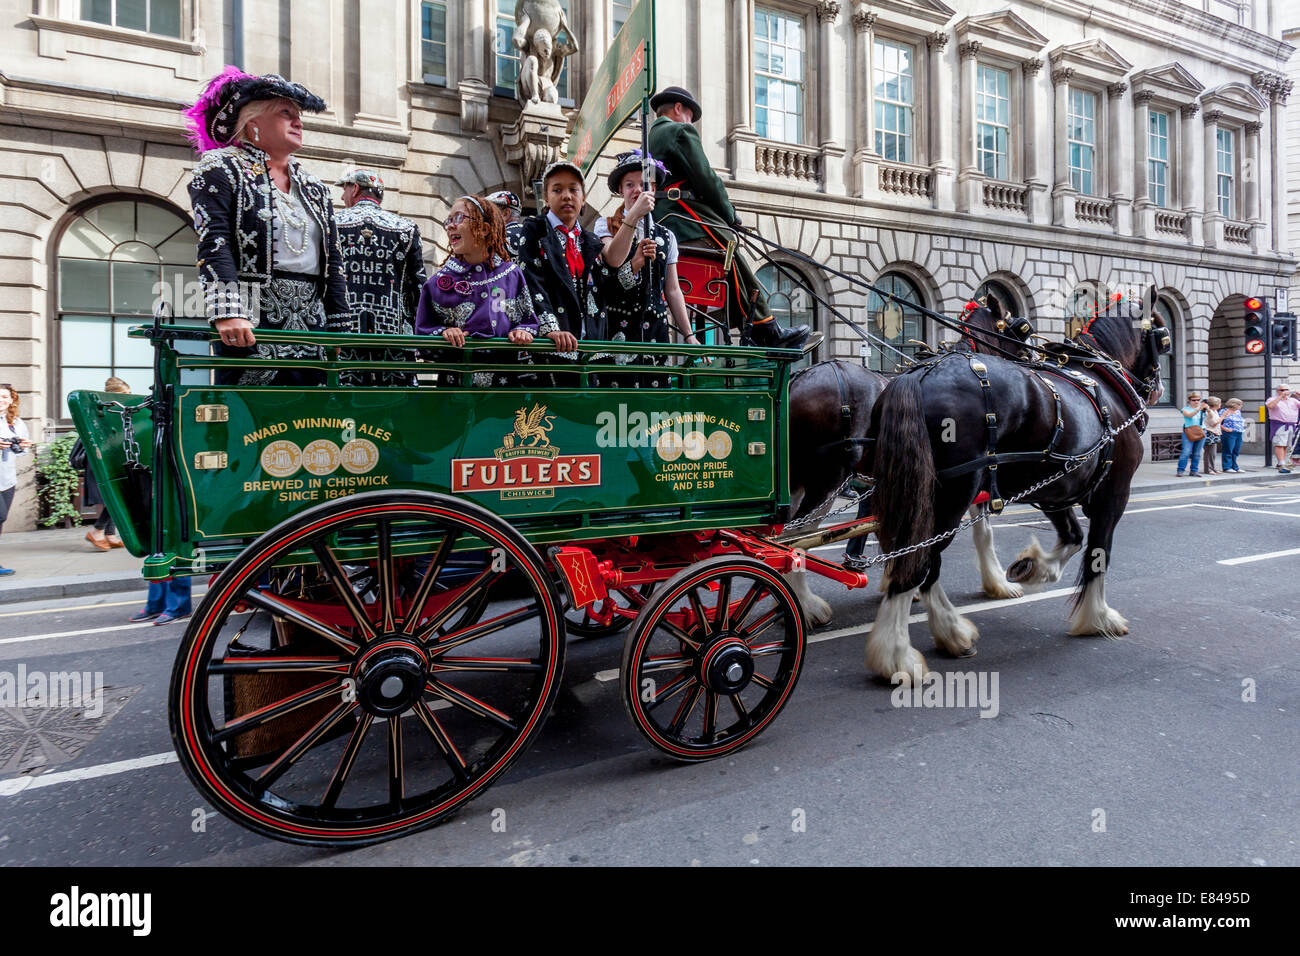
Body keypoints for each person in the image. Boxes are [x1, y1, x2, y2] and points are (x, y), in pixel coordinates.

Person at [185, 69, 352, 386]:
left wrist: (340, 325)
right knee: (250, 423)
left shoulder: (315, 187)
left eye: (299, 115)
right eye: (285, 113)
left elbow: (334, 264)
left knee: (316, 425)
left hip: (313, 327)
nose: (298, 122)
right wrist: (227, 311)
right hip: (251, 322)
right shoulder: (221, 167)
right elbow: (214, 243)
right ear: (254, 122)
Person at [647, 85, 808, 350]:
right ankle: (764, 327)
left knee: (729, 253)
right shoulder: (678, 131)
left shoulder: (649, 138)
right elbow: (707, 180)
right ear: (678, 109)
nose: (691, 122)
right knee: (730, 251)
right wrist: (731, 215)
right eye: (690, 115)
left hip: (662, 220)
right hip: (682, 219)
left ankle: (753, 322)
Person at [595, 150, 701, 386]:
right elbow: (612, 260)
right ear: (620, 190)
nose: (636, 190)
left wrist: (689, 335)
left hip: (655, 331)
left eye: (644, 184)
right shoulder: (605, 225)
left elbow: (672, 290)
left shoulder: (667, 236)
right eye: (629, 184)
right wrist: (635, 258)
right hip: (617, 330)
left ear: (653, 190)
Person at [415, 195, 544, 387]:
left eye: (458, 218)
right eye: (448, 220)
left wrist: (522, 332)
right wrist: (444, 333)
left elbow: (528, 320)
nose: (450, 226)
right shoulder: (436, 283)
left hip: (505, 387)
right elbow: (423, 335)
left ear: (484, 229)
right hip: (457, 388)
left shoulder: (512, 274)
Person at [516, 160, 616, 382]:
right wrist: (550, 329)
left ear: (583, 199)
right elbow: (530, 280)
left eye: (573, 189)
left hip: (589, 349)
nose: (567, 196)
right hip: (552, 348)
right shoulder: (534, 230)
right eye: (557, 190)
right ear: (546, 198)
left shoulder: (590, 240)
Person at [334, 168, 426, 386]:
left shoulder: (333, 223)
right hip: (394, 337)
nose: (341, 196)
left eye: (344, 189)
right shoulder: (406, 228)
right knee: (395, 405)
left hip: (343, 333)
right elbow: (419, 286)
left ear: (355, 188)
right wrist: (423, 339)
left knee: (341, 404)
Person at [78, 376, 130, 550]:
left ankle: (109, 533)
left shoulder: (117, 410)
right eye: (124, 394)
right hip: (102, 459)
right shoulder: (102, 411)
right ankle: (97, 531)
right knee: (115, 496)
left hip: (112, 457)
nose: (127, 397)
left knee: (118, 495)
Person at [0, 383, 34, 576]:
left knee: (0, 520)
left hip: (6, 479)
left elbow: (21, 452)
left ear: (11, 400)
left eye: (5, 396)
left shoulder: (16, 422)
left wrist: (24, 445)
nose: (1, 400)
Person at [1264, 384, 1300, 474]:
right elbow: (1270, 406)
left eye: (1286, 389)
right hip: (1279, 424)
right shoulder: (1272, 399)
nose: (1285, 391)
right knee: (1280, 444)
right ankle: (1281, 463)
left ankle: (1282, 461)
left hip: (1292, 424)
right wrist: (1280, 397)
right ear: (1277, 391)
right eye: (1282, 390)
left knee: (1286, 445)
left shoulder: (1293, 400)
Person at [487, 190, 525, 260]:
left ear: (505, 214)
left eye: (491, 212)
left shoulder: (497, 238)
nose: (487, 217)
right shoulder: (531, 232)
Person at [1177, 390, 1208, 477]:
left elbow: (1211, 418)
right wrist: (1199, 409)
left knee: (1197, 453)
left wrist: (1208, 409)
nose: (1196, 402)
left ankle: (1194, 471)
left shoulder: (1203, 409)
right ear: (1189, 400)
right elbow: (1189, 415)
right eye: (1194, 400)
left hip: (1201, 431)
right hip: (1189, 431)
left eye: (1198, 400)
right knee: (1186, 452)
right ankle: (1180, 470)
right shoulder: (1185, 409)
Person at [1219, 398, 1246, 473]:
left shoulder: (1238, 412)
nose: (1241, 406)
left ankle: (1235, 466)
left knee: (1236, 450)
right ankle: (1227, 467)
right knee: (1228, 449)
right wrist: (1225, 429)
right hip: (1228, 433)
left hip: (1239, 432)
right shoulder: (1224, 411)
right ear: (1234, 404)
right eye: (1239, 404)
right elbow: (1218, 422)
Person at [1201, 396, 1223, 475]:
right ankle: (1208, 469)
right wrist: (1223, 417)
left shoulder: (1215, 411)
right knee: (1208, 452)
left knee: (1213, 453)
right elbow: (1213, 423)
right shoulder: (1209, 412)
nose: (1221, 404)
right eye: (1219, 403)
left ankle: (1212, 468)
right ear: (1215, 404)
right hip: (1209, 433)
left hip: (1215, 433)